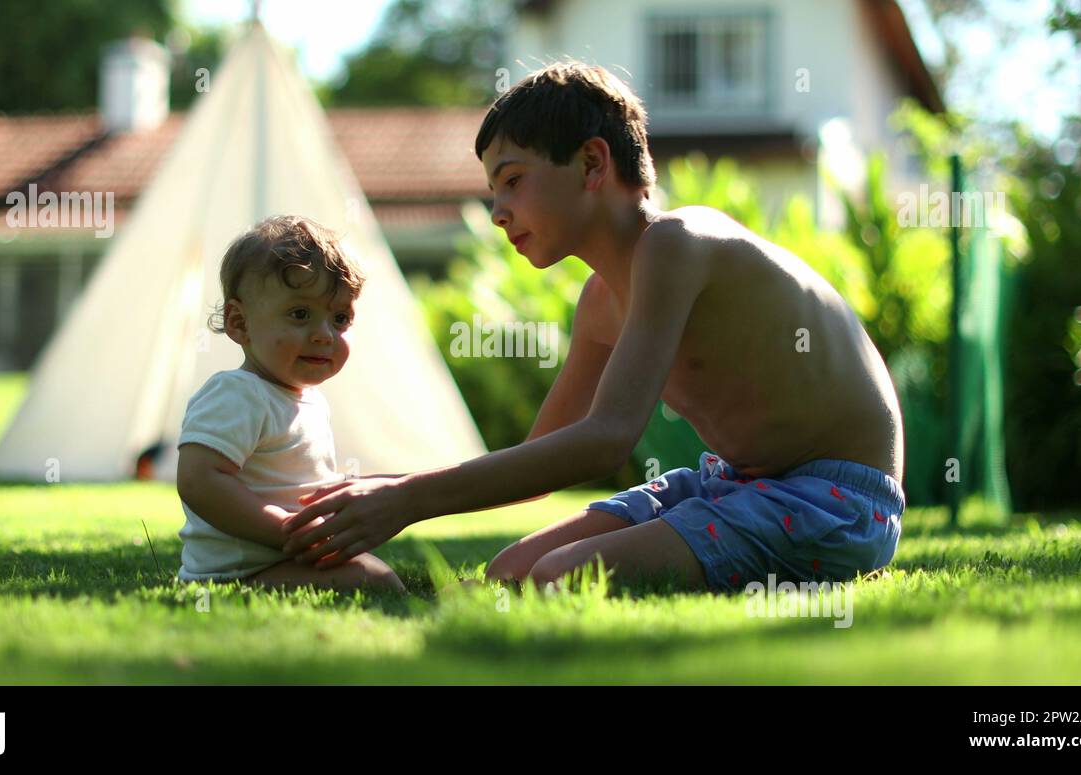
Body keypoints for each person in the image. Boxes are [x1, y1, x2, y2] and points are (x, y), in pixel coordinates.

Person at [281, 62, 905, 593]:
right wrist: (383, 488)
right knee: (510, 572)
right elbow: (542, 455)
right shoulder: (601, 302)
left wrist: (409, 501)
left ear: (591, 163)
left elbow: (606, 440)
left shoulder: (677, 245)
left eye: (513, 181)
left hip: (835, 502)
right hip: (732, 483)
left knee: (558, 578)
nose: (497, 212)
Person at [176, 215, 405, 594]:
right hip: (238, 572)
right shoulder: (238, 393)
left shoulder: (308, 400)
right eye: (300, 314)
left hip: (280, 559)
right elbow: (199, 479)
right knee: (374, 581)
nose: (323, 335)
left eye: (340, 318)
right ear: (239, 323)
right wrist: (285, 529)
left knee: (372, 572)